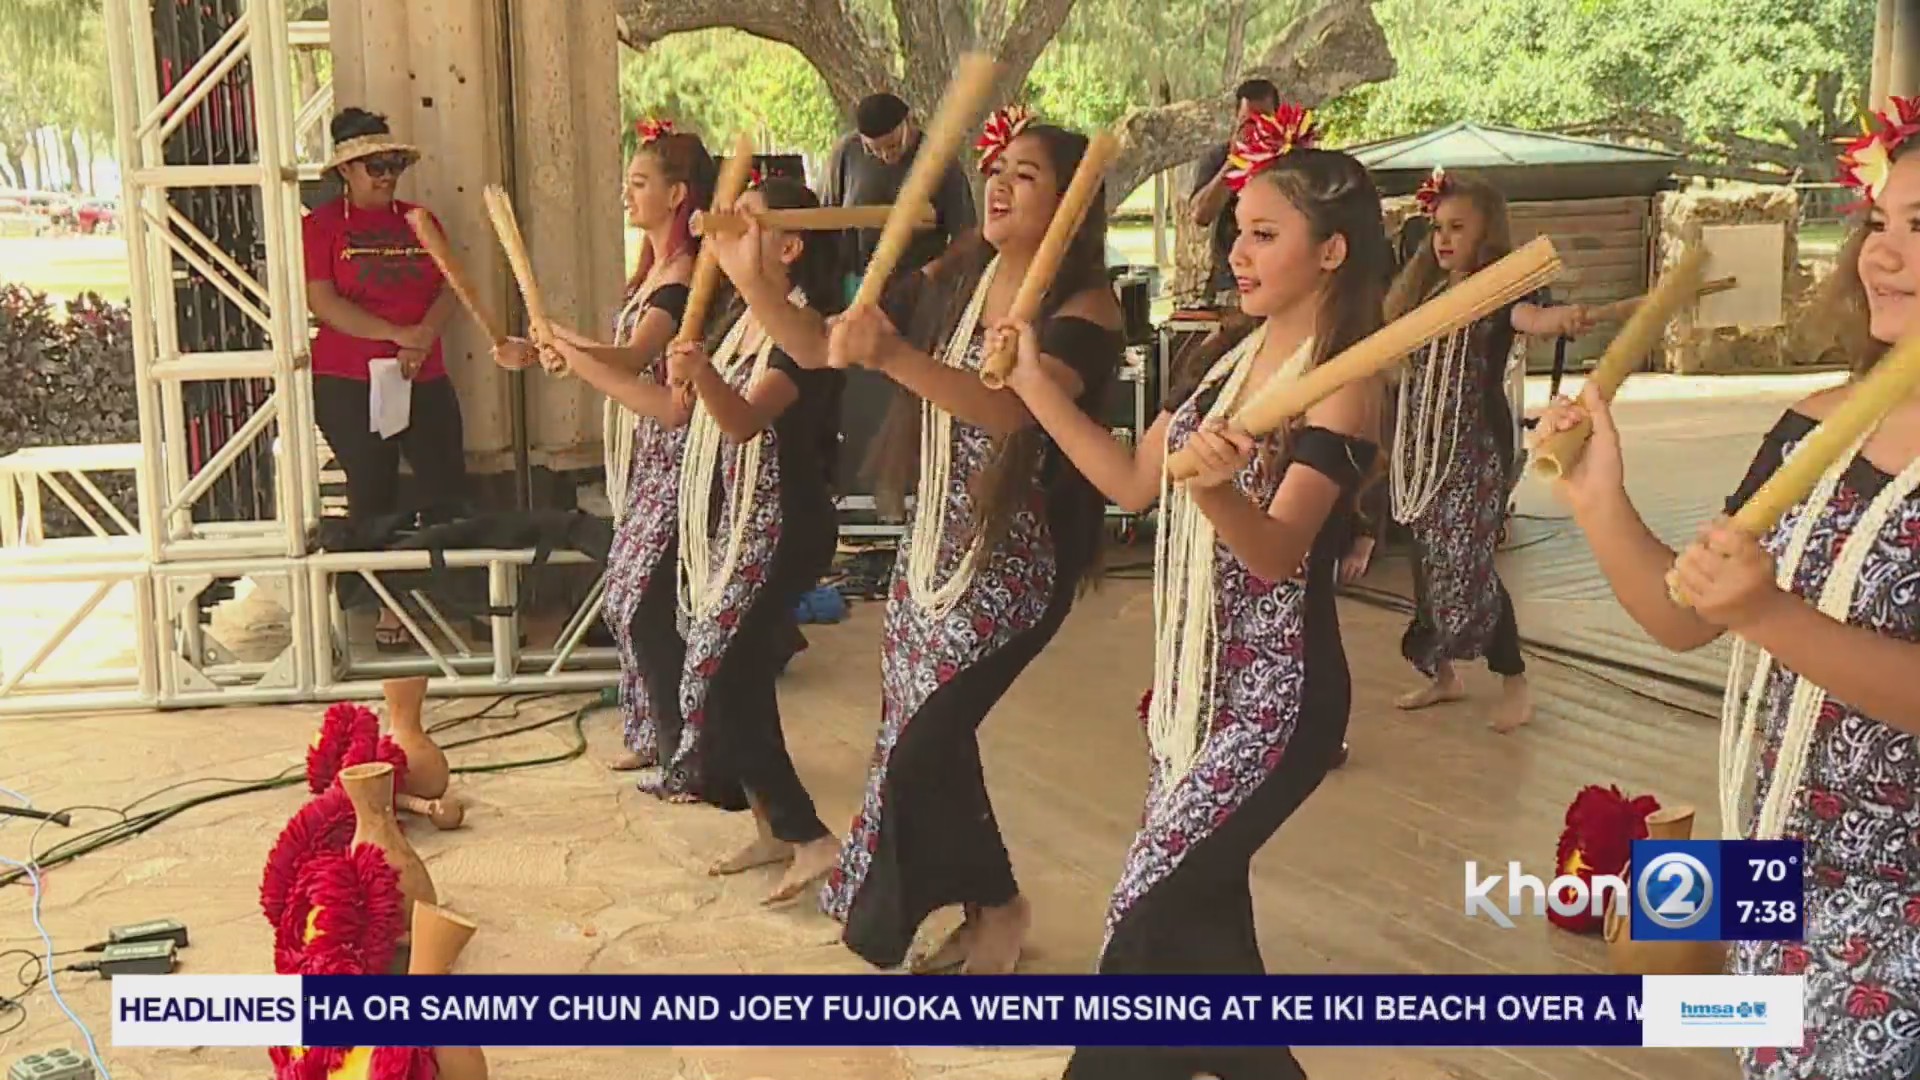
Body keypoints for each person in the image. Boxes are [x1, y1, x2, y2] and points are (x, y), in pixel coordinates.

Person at [1531, 96, 1920, 1080]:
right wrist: (1597, 498)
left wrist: (1769, 614)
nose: (1883, 252)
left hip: (1899, 903)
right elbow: (1682, 615)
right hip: (1780, 866)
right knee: (1686, 986)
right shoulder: (1815, 426)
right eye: (1882, 222)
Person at [1003, 107, 1386, 1080]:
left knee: (1149, 921)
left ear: (1332, 250)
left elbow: (1277, 553)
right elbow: (1134, 483)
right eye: (1237, 231)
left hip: (1275, 702)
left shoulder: (1341, 386)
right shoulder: (1222, 361)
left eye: (1265, 233)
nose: (1238, 251)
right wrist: (1033, 383)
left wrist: (1216, 491)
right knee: (1203, 951)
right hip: (1193, 697)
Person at [812, 110, 1123, 975]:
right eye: (997, 168)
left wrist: (890, 359)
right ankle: (995, 908)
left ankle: (996, 904)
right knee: (928, 746)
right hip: (931, 560)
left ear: (1070, 205)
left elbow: (1008, 408)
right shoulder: (959, 275)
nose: (999, 183)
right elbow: (828, 346)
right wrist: (753, 274)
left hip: (1016, 570)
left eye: (1028, 175)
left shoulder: (1086, 306)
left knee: (925, 749)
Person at [495, 121, 717, 778]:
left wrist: (563, 348)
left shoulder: (683, 283)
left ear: (678, 195)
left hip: (676, 456)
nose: (627, 194)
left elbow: (631, 357)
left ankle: (682, 744)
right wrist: (544, 346)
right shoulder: (652, 274)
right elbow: (609, 356)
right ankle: (653, 732)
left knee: (640, 599)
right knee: (626, 599)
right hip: (644, 455)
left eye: (640, 183)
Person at [1382, 168, 1591, 731]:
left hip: (1474, 449)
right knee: (1427, 561)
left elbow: (1531, 319)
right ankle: (1441, 674)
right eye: (1437, 228)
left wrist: (1559, 320)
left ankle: (1514, 680)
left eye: (1458, 227)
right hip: (1424, 452)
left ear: (1487, 234)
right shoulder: (1426, 295)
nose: (1444, 239)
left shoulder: (1496, 295)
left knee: (1469, 563)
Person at [303, 107, 466, 652]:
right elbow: (323, 301)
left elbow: (451, 287)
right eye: (372, 165)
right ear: (345, 171)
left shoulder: (420, 219)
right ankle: (383, 604)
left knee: (445, 481)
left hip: (424, 371)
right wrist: (394, 333)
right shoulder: (322, 226)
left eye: (392, 163)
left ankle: (451, 595)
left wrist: (420, 336)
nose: (385, 174)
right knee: (373, 487)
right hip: (350, 375)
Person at [821, 92, 978, 283]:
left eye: (893, 146)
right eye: (874, 150)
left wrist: (931, 272)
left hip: (915, 283)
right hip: (855, 281)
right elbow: (828, 219)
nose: (885, 155)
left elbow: (967, 235)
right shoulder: (846, 152)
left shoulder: (941, 161)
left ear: (909, 122)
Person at [1189, 79, 1282, 309]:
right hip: (1228, 285)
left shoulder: (1290, 159)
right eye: (1249, 122)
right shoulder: (1218, 158)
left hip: (1278, 282)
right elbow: (1201, 215)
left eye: (1264, 121)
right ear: (1236, 121)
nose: (1257, 130)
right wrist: (1234, 164)